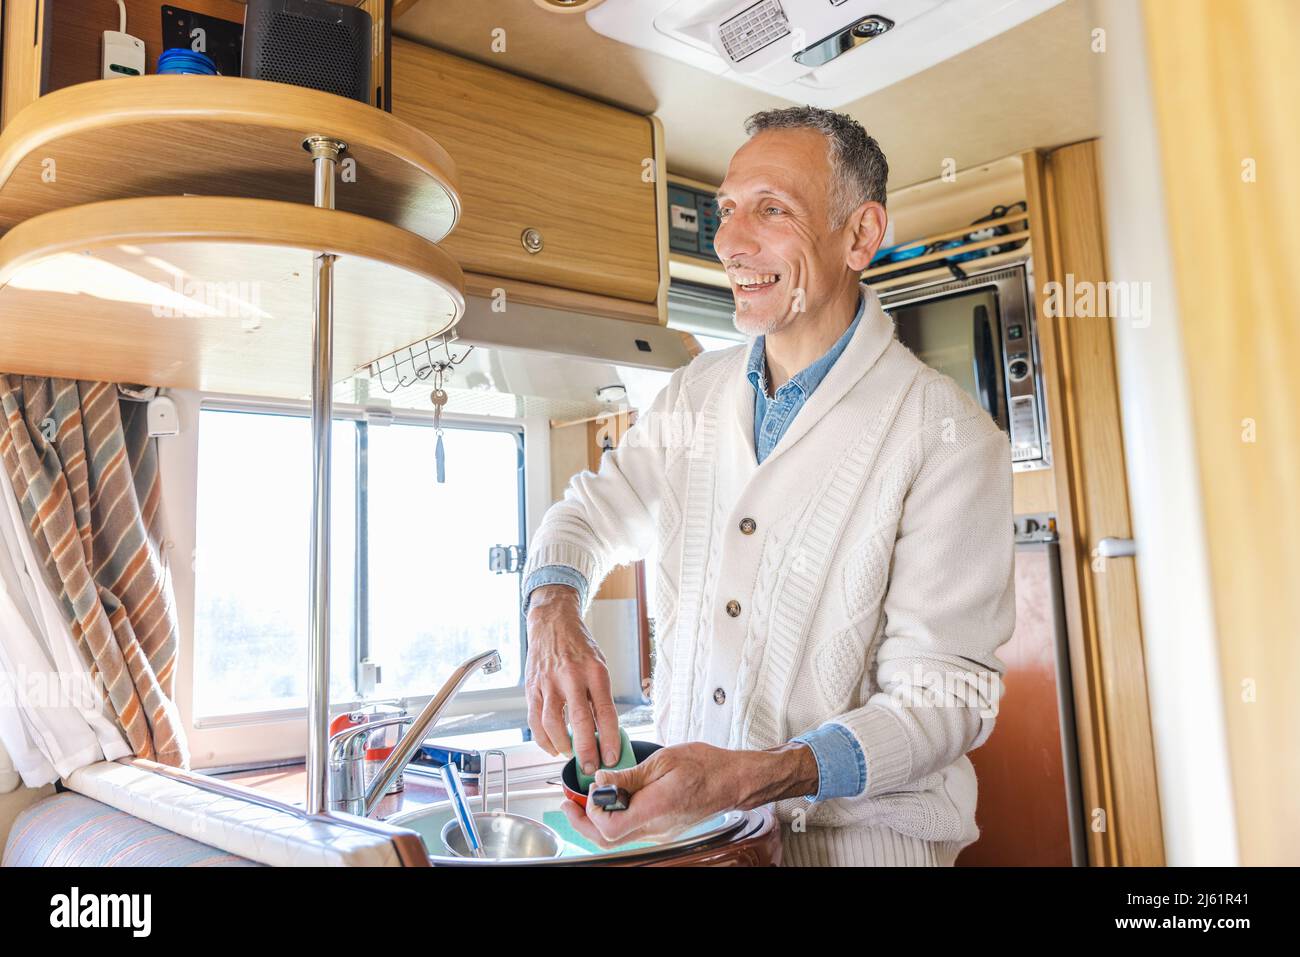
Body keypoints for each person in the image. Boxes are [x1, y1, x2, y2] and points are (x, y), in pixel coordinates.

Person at [521, 105, 1015, 866]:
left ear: (860, 235)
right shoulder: (693, 395)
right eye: (725, 210)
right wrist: (553, 612)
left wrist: (758, 777)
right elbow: (586, 516)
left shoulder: (946, 438)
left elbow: (945, 701)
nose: (728, 241)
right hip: (695, 845)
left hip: (865, 850)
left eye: (771, 209)